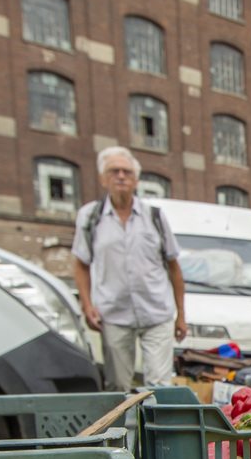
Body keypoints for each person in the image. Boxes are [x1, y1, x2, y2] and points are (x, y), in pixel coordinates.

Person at [72, 146, 186, 392]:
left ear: (136, 180)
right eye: (114, 171)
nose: (121, 176)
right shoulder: (90, 217)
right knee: (118, 387)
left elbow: (174, 267)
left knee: (160, 387)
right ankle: (123, 431)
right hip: (114, 314)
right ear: (103, 178)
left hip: (156, 312)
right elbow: (81, 264)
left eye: (127, 172)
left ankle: (157, 430)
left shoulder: (154, 216)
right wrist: (87, 305)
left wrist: (181, 315)